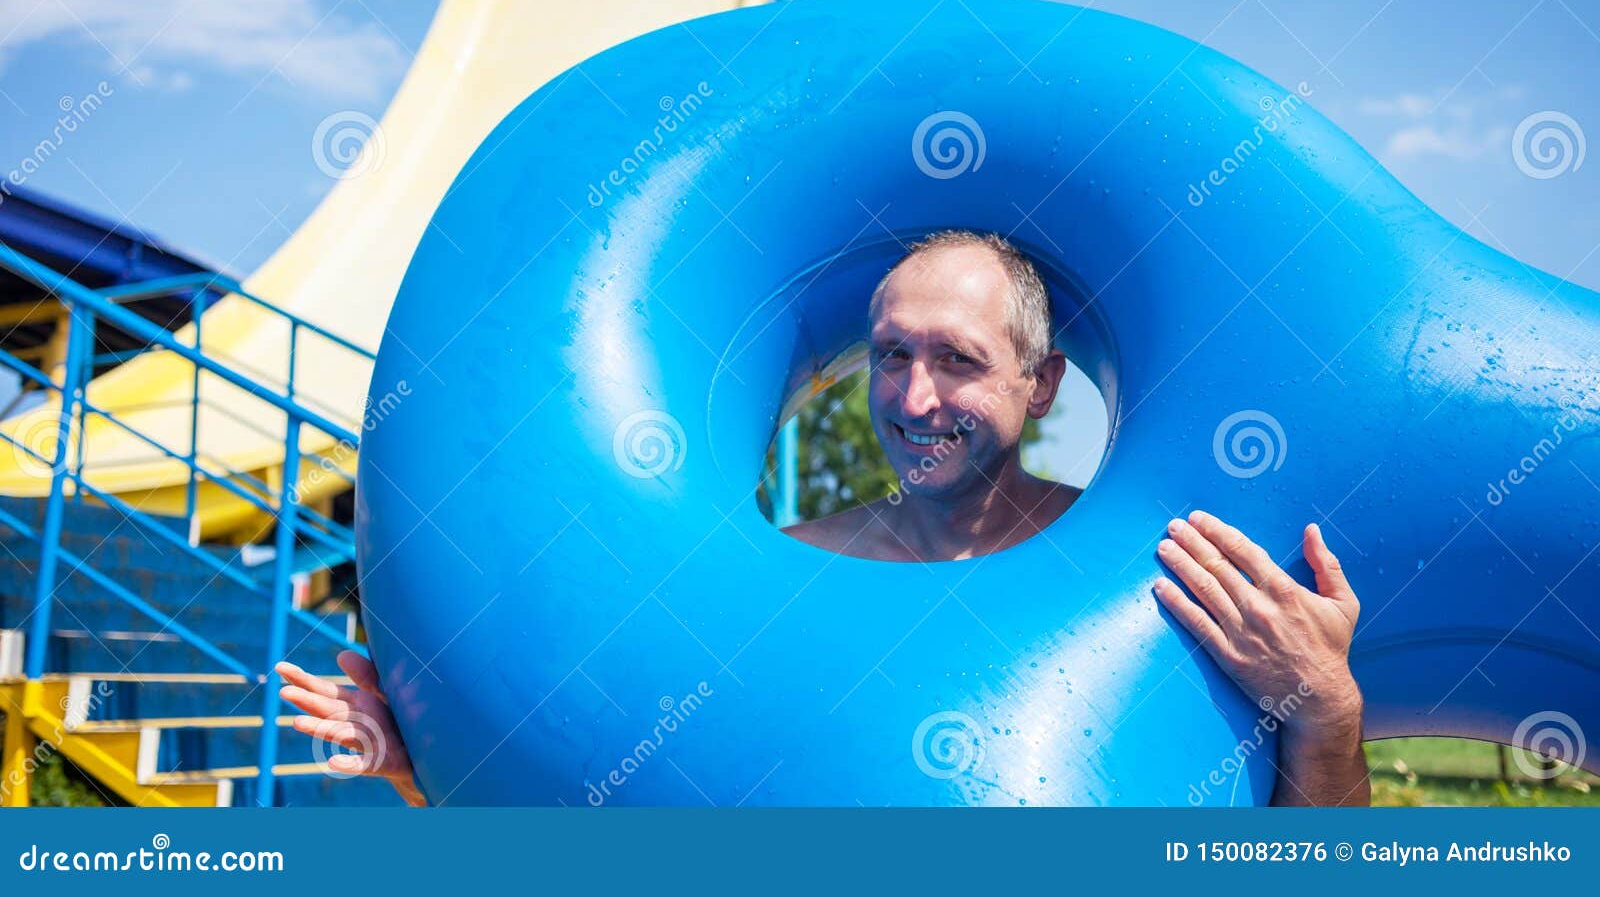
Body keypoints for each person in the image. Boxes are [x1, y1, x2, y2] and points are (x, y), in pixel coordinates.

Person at [278, 229, 1369, 807]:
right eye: (890, 353)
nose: (912, 397)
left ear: (1042, 385)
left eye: (958, 359)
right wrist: (424, 771)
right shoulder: (792, 570)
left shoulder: (1174, 589)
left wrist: (1326, 716)